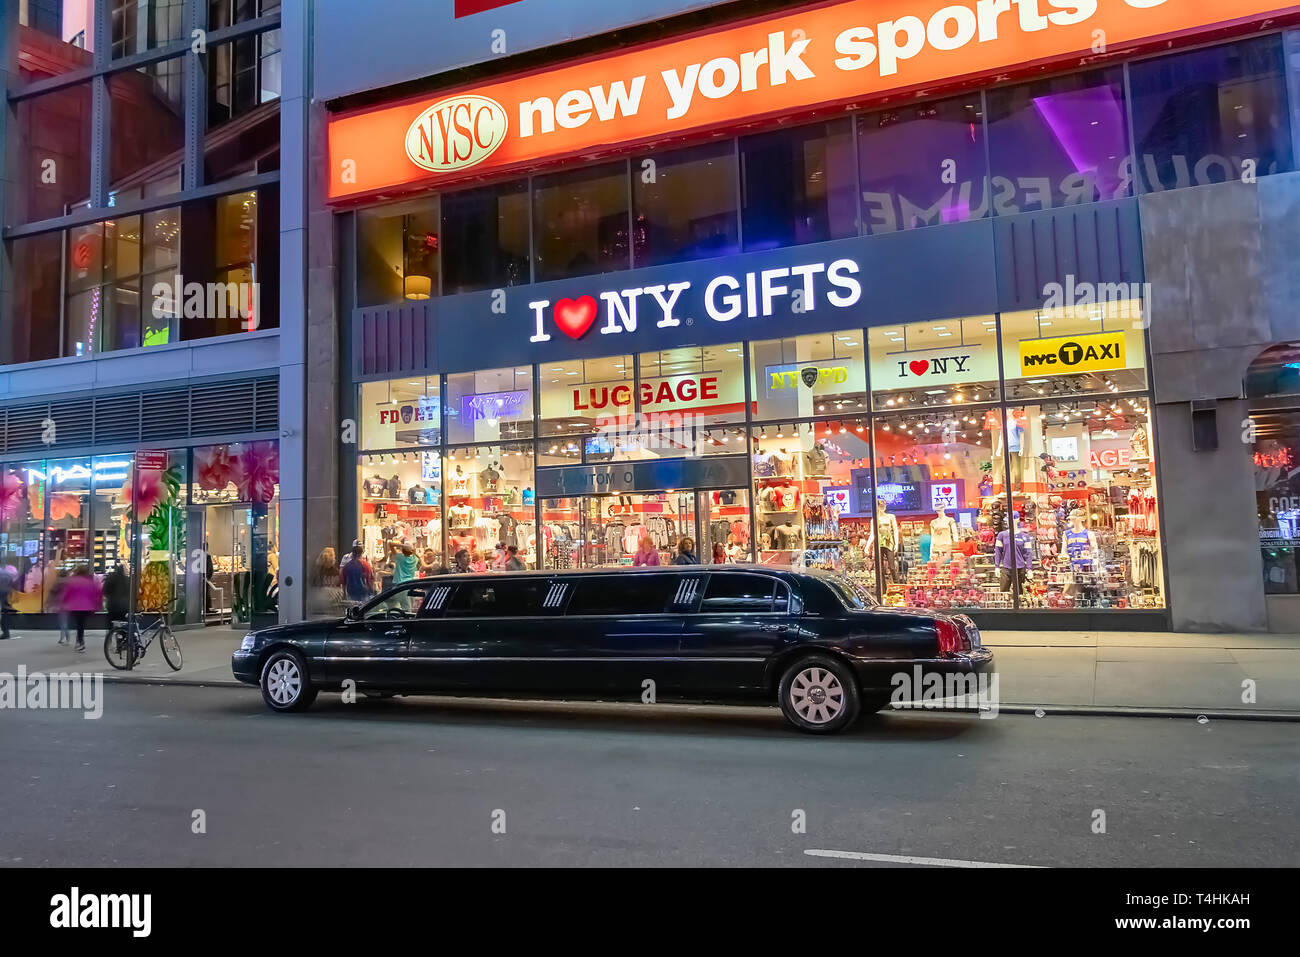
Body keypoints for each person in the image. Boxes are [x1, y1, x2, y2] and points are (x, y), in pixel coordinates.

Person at [61, 565, 102, 653]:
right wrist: (97, 605)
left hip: (75, 607)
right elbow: (96, 593)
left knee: (79, 624)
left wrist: (64, 603)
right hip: (87, 607)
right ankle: (79, 641)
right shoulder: (89, 582)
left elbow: (67, 593)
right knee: (81, 624)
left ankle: (80, 642)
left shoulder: (72, 581)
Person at [308, 547, 340, 617]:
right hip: (324, 605)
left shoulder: (317, 570)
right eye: (333, 556)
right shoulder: (318, 571)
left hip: (323, 604)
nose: (334, 559)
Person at [102, 564, 131, 631]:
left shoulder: (111, 578)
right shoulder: (128, 580)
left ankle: (109, 637)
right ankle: (122, 639)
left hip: (112, 605)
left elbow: (105, 590)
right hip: (124, 606)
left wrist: (109, 597)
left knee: (111, 622)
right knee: (123, 624)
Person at [49, 567, 71, 645]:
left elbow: (53, 591)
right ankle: (65, 638)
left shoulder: (58, 582)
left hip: (60, 603)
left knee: (62, 622)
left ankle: (64, 638)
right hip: (67, 603)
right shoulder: (69, 582)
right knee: (64, 621)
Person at [0, 554, 19, 641]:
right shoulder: (8, 574)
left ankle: (5, 633)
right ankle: (6, 632)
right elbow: (13, 585)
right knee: (4, 615)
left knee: (3, 614)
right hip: (5, 595)